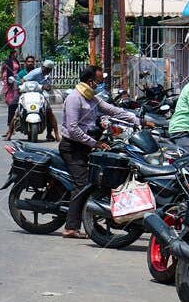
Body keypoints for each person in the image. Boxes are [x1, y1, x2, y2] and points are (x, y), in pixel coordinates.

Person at [59, 64, 138, 240]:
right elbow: (72, 129)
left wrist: (136, 119)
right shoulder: (74, 99)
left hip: (86, 146)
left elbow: (113, 110)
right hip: (72, 147)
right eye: (99, 81)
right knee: (83, 183)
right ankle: (71, 227)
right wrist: (95, 143)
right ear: (90, 81)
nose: (101, 85)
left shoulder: (92, 99)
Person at [0, 50, 23, 139]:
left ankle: (11, 129)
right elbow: (2, 69)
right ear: (12, 53)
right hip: (8, 82)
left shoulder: (16, 61)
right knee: (10, 104)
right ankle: (10, 129)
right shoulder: (7, 61)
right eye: (15, 52)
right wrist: (2, 77)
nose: (16, 54)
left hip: (16, 82)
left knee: (14, 105)